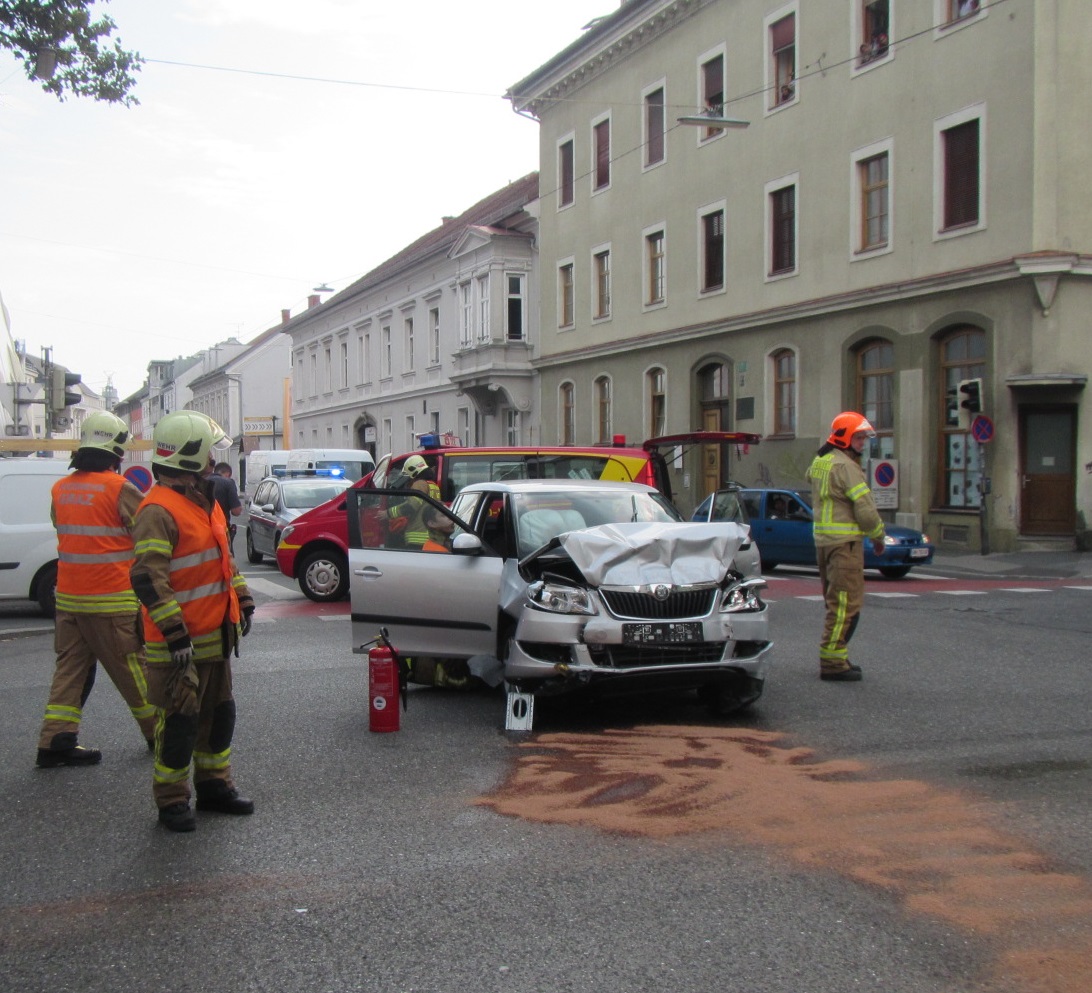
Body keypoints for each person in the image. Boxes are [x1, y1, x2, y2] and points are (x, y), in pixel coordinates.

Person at [131, 411, 256, 833]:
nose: (211, 462)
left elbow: (222, 561)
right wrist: (174, 632)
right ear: (188, 457)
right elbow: (149, 578)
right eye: (206, 454)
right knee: (180, 723)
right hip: (179, 643)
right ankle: (171, 800)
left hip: (215, 637)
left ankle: (214, 787)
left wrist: (243, 596)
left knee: (219, 715)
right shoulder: (158, 510)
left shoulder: (203, 501)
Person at [36, 411, 158, 768]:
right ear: (116, 451)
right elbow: (148, 534)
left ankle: (55, 740)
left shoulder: (61, 488)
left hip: (69, 600)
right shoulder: (120, 489)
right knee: (134, 671)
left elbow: (62, 527)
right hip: (112, 600)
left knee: (70, 670)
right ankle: (160, 733)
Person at [807, 411, 886, 682]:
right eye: (859, 437)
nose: (863, 442)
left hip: (824, 543)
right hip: (845, 546)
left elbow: (811, 479)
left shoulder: (821, 460)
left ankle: (837, 657)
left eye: (864, 437)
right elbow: (865, 509)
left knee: (835, 602)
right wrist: (878, 536)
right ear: (845, 438)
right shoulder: (847, 467)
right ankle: (832, 661)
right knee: (845, 605)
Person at [391, 454, 440, 547]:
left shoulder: (419, 484)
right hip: (431, 535)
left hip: (417, 538)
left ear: (412, 470)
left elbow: (410, 507)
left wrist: (388, 513)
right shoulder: (433, 485)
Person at [209, 461, 242, 550]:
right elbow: (236, 511)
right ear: (227, 474)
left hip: (202, 527)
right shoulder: (228, 483)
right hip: (222, 529)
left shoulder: (202, 481)